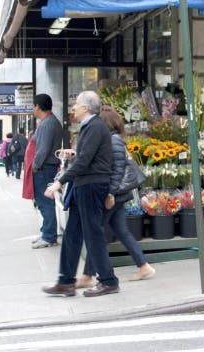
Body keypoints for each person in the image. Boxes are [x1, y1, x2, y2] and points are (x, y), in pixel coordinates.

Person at [42, 91, 120, 297]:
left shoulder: (94, 127)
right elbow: (86, 157)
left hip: (91, 185)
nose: (73, 108)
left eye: (76, 104)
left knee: (93, 233)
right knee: (72, 234)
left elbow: (85, 161)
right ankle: (66, 281)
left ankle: (108, 281)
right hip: (84, 184)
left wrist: (59, 182)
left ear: (85, 108)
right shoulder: (90, 127)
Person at [76, 106, 155, 289]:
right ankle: (143, 266)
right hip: (116, 195)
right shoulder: (113, 140)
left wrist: (110, 193)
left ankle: (88, 275)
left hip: (112, 195)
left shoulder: (113, 141)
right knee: (120, 231)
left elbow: (117, 170)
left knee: (96, 233)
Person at [30, 94, 64, 249]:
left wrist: (35, 165)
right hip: (46, 167)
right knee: (44, 202)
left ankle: (49, 236)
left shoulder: (48, 123)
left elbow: (43, 149)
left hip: (44, 168)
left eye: (33, 106)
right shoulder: (49, 122)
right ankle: (46, 232)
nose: (33, 109)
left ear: (38, 107)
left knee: (45, 202)